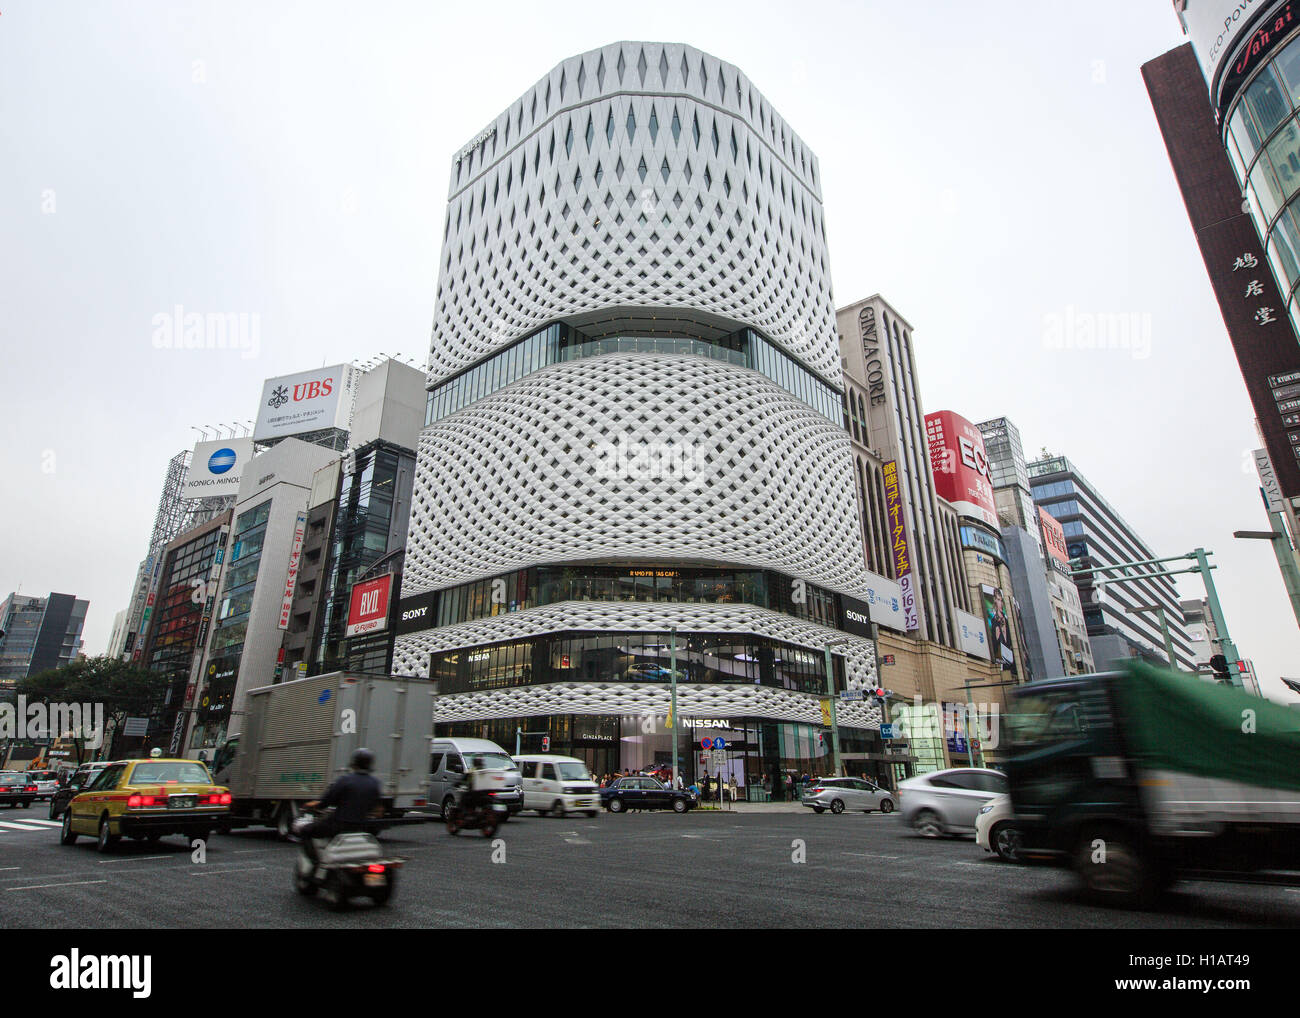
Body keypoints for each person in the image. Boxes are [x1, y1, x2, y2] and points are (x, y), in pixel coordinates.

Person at [299, 748, 382, 858]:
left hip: (339, 825)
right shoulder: (375, 783)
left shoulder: (345, 780)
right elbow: (376, 808)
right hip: (361, 826)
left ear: (354, 764)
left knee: (306, 831)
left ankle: (315, 861)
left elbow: (326, 802)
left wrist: (312, 805)